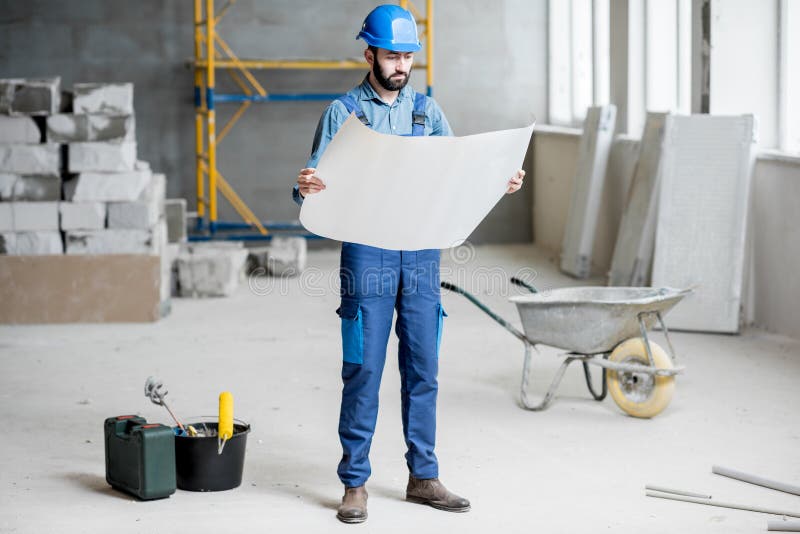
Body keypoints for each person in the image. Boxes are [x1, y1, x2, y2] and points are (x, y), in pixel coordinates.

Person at [292, 4, 525, 524]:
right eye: (392, 56)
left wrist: (499, 180)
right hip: (367, 252)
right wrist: (305, 186)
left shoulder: (428, 113)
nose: (401, 65)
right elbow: (311, 185)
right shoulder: (342, 113)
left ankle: (423, 476)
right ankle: (355, 482)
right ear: (369, 54)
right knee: (364, 369)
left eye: (407, 57)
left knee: (424, 367)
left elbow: (456, 175)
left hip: (421, 252)